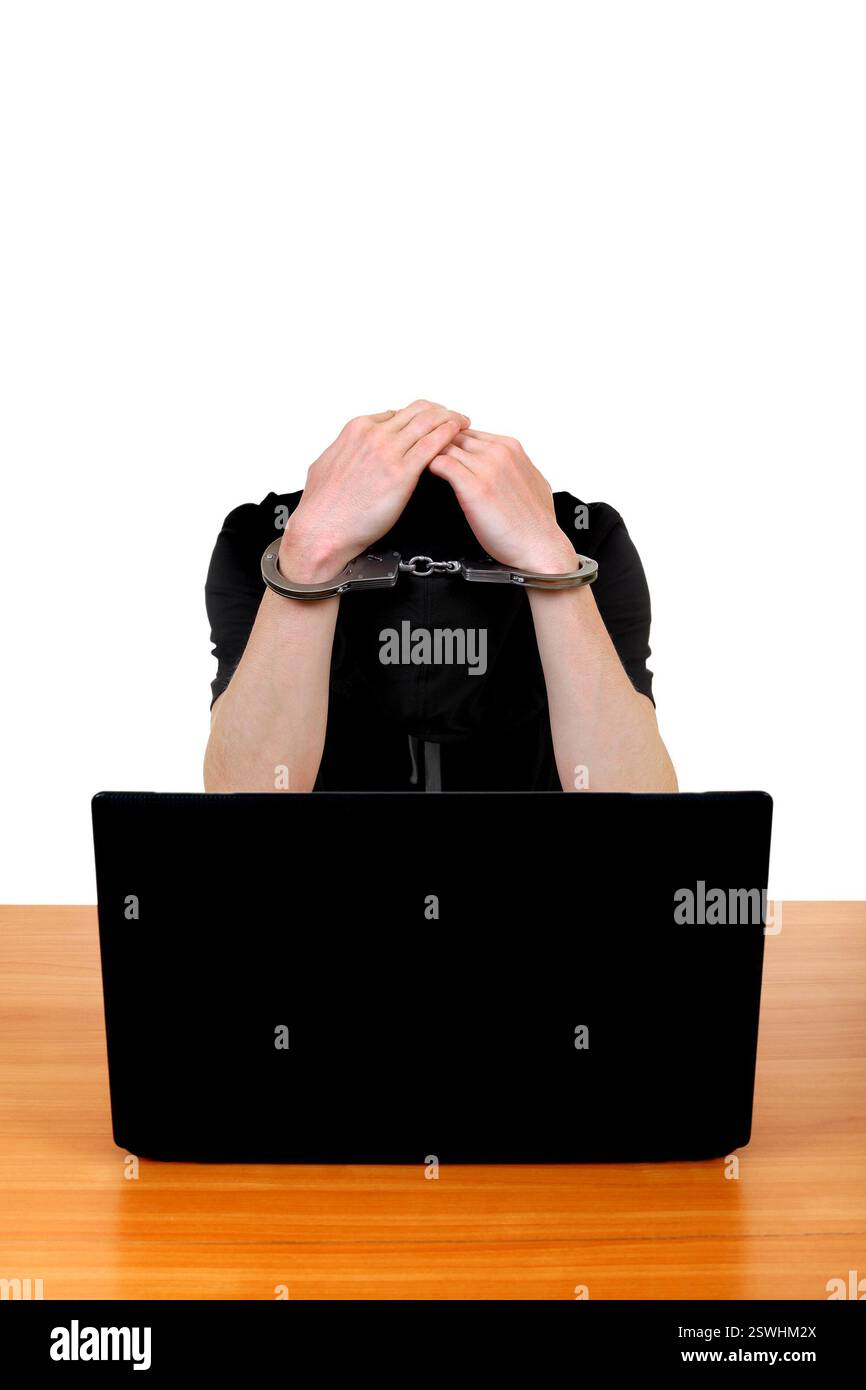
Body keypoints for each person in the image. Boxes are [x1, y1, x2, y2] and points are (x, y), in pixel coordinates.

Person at [204, 399, 677, 793]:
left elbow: (645, 827)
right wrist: (311, 553)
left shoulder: (587, 541)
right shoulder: (262, 541)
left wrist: (549, 561)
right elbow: (243, 815)